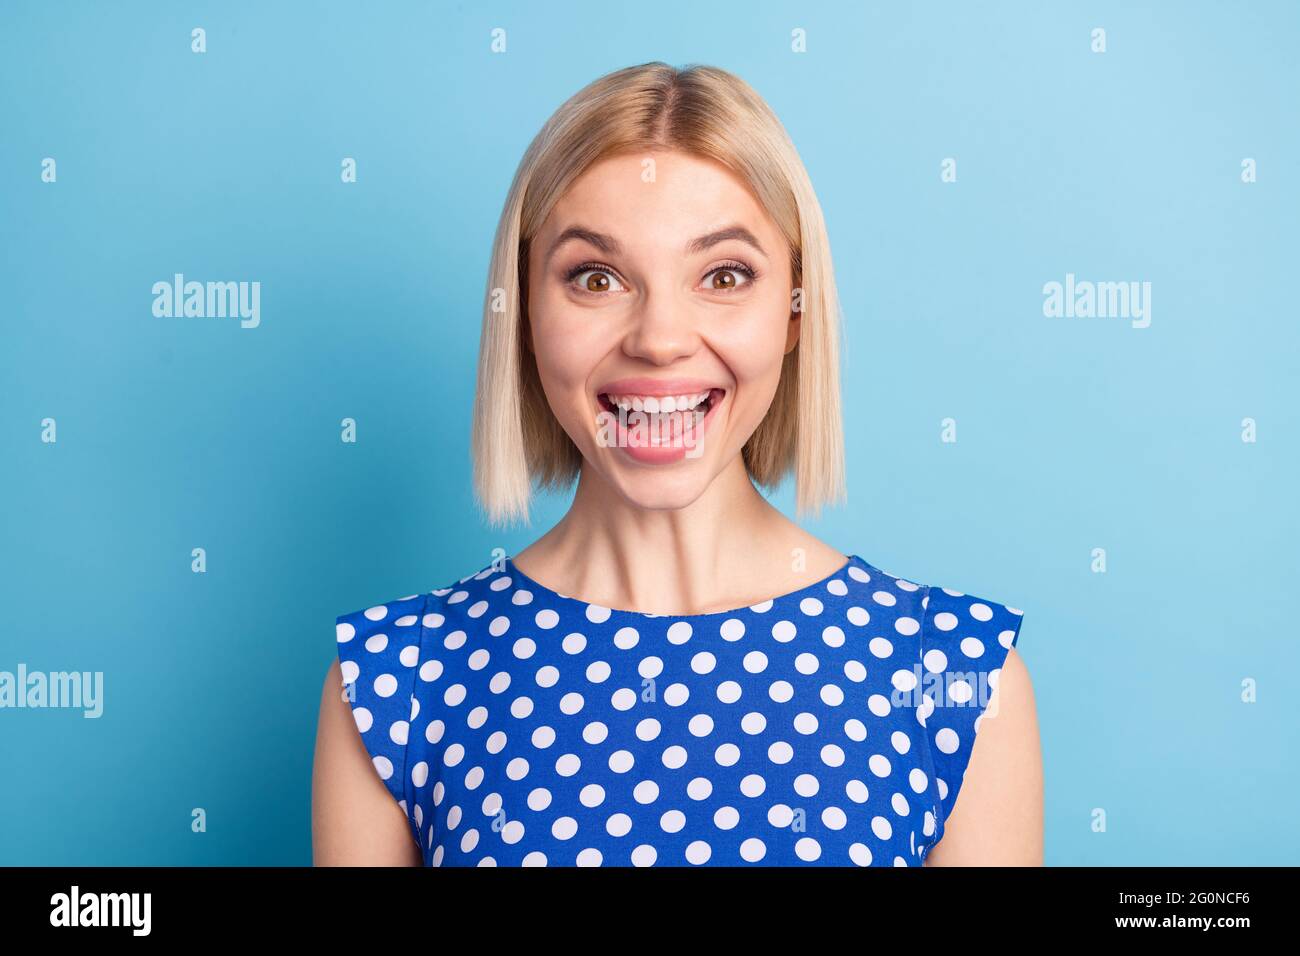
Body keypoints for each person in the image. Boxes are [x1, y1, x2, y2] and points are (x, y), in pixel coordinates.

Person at [312, 61, 1042, 867]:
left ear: (796, 309)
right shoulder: (393, 683)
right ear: (523, 312)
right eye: (596, 277)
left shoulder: (957, 677)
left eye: (724, 276)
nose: (659, 338)